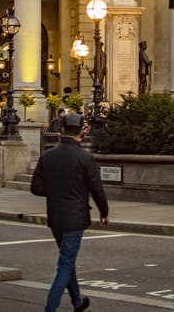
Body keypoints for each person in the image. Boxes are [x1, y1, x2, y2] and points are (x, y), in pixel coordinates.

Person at [31, 112, 109, 312]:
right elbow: (96, 189)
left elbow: (36, 187)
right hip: (76, 217)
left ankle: (77, 302)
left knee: (67, 260)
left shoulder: (47, 156)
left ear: (62, 130)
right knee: (65, 264)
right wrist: (104, 212)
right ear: (83, 131)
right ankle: (50, 309)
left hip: (56, 216)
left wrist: (56, 191)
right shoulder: (85, 158)